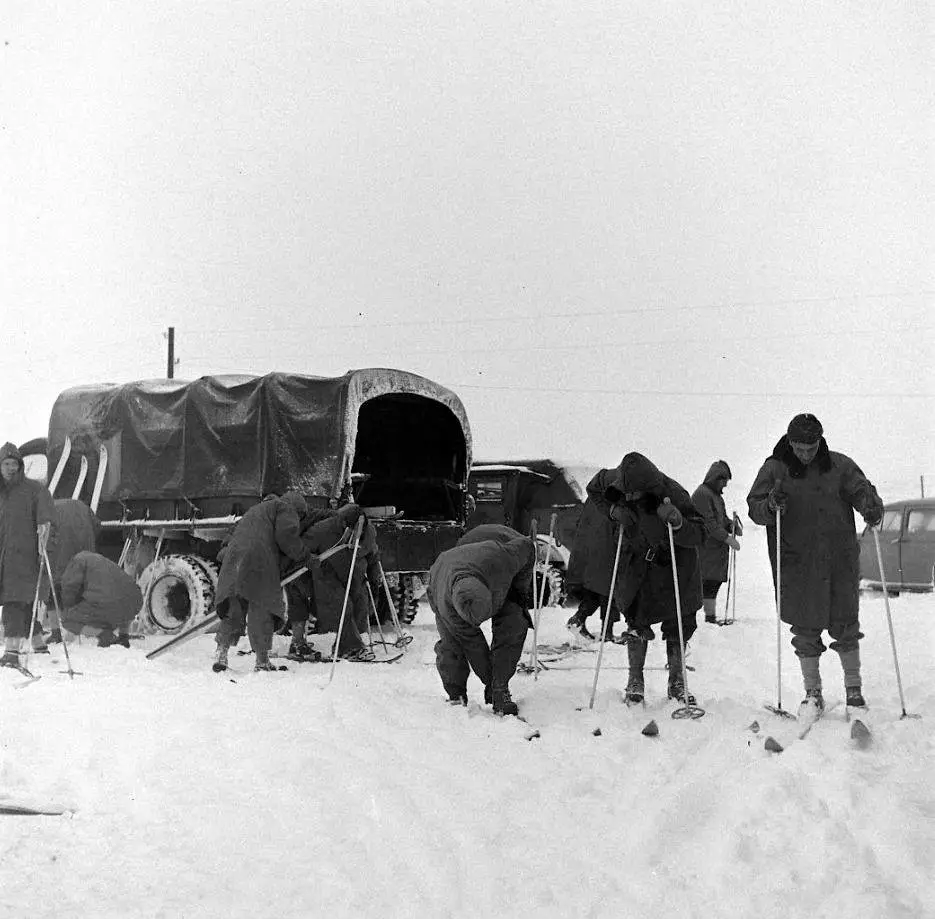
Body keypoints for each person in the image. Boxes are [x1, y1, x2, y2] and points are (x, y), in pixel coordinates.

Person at [747, 413, 883, 713]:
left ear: (820, 440)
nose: (805, 455)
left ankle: (854, 690)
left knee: (845, 625)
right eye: (799, 449)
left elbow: (861, 489)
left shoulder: (839, 465)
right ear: (790, 442)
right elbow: (755, 509)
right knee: (805, 629)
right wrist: (770, 504)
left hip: (838, 561)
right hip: (797, 564)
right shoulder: (774, 468)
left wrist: (870, 506)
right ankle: (812, 693)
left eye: (811, 448)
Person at [599, 453, 707, 705]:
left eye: (635, 494)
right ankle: (635, 678)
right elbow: (595, 491)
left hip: (675, 568)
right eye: (627, 493)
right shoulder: (617, 483)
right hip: (638, 566)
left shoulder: (675, 493)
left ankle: (677, 680)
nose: (630, 498)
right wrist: (613, 510)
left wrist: (679, 523)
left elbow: (700, 534)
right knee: (636, 620)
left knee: (678, 624)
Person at [427, 524, 535, 716]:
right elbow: (473, 644)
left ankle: (501, 689)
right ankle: (456, 694)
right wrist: (488, 681)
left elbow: (528, 546)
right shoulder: (447, 604)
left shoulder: (502, 559)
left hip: (503, 546)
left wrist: (519, 591)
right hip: (450, 569)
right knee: (452, 643)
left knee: (514, 624)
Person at [213, 491, 316, 673]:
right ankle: (262, 661)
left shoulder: (254, 511)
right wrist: (305, 556)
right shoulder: (285, 508)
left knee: (234, 608)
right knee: (261, 609)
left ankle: (221, 652)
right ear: (297, 508)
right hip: (259, 560)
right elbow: (286, 537)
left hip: (234, 558)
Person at [0, 442, 54, 668]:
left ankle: (12, 651)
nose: (11, 468)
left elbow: (45, 511)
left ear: (21, 466)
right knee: (24, 600)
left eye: (14, 464)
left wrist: (44, 528)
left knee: (14, 601)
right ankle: (38, 641)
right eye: (6, 463)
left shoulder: (34, 489)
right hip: (4, 555)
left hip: (24, 555)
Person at [564, 468, 625, 641]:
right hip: (608, 551)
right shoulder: (615, 498)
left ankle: (578, 619)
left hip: (588, 551)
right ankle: (607, 632)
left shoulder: (594, 497)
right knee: (610, 591)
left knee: (595, 589)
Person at [40, 498, 101, 643]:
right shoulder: (80, 505)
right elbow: (97, 526)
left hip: (57, 557)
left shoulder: (44, 512)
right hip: (82, 555)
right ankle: (74, 630)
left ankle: (56, 632)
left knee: (51, 592)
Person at [691, 461, 742, 624]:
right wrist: (728, 539)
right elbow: (709, 523)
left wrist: (731, 526)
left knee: (713, 583)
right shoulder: (702, 495)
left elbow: (721, 519)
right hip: (706, 549)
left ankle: (710, 617)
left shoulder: (716, 496)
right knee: (707, 584)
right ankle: (708, 618)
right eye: (724, 480)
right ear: (715, 478)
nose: (725, 484)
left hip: (716, 551)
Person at [59, 551, 142, 646]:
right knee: (123, 599)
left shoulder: (77, 561)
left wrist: (69, 608)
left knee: (67, 619)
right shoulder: (99, 559)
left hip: (108, 605)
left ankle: (102, 634)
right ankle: (123, 636)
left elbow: (70, 589)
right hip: (135, 602)